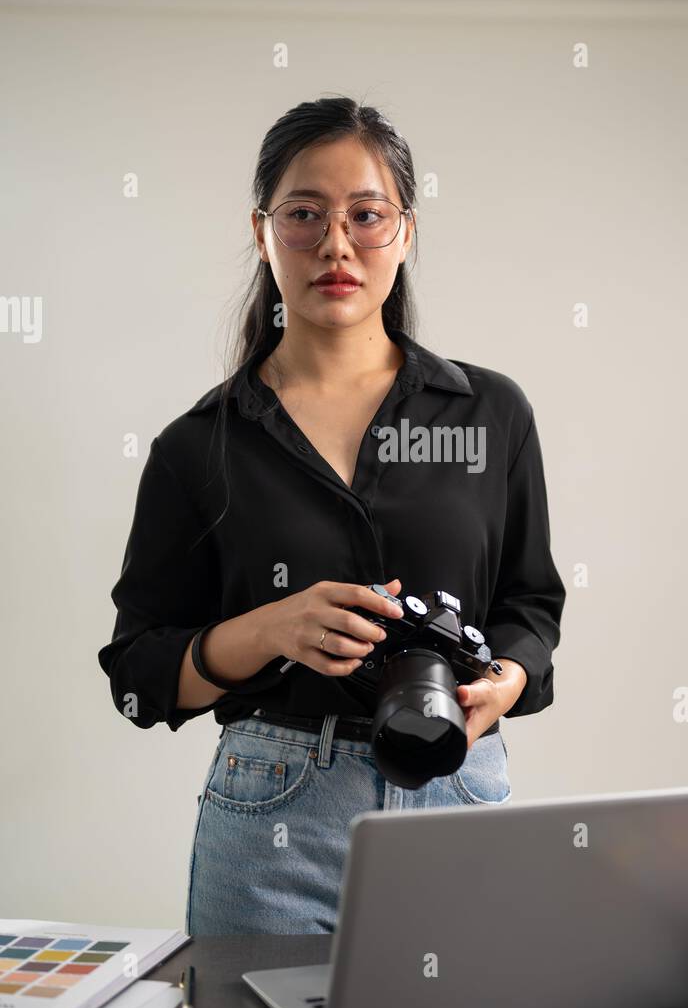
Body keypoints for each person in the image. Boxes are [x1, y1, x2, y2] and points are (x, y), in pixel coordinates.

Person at [98, 94, 566, 934]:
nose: (337, 244)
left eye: (367, 214)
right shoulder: (198, 447)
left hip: (459, 794)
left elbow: (531, 604)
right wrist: (269, 630)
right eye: (304, 215)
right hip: (274, 810)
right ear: (262, 231)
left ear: (407, 233)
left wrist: (508, 678)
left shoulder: (490, 414)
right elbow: (138, 674)